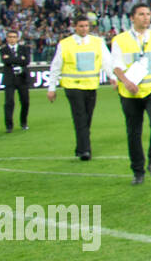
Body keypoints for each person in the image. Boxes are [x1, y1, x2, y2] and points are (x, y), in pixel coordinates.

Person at [111, 3, 151, 184]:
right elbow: (116, 66)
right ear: (132, 18)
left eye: (148, 14)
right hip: (130, 93)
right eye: (141, 14)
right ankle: (138, 170)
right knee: (134, 132)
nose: (146, 17)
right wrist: (126, 82)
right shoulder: (120, 39)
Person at [46, 13, 113, 159]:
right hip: (72, 86)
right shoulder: (65, 44)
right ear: (75, 27)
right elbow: (56, 66)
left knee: (87, 118)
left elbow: (106, 61)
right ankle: (85, 150)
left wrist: (113, 77)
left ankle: (80, 147)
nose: (84, 29)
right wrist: (52, 88)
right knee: (80, 117)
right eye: (81, 26)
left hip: (90, 85)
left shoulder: (98, 42)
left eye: (86, 26)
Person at [1, 28, 31, 132]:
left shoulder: (24, 48)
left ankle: (23, 122)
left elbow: (27, 61)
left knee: (25, 102)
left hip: (22, 79)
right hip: (10, 79)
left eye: (14, 37)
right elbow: (5, 61)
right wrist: (20, 59)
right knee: (9, 102)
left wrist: (11, 59)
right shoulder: (3, 49)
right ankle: (9, 126)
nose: (12, 39)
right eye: (10, 37)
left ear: (17, 38)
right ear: (7, 38)